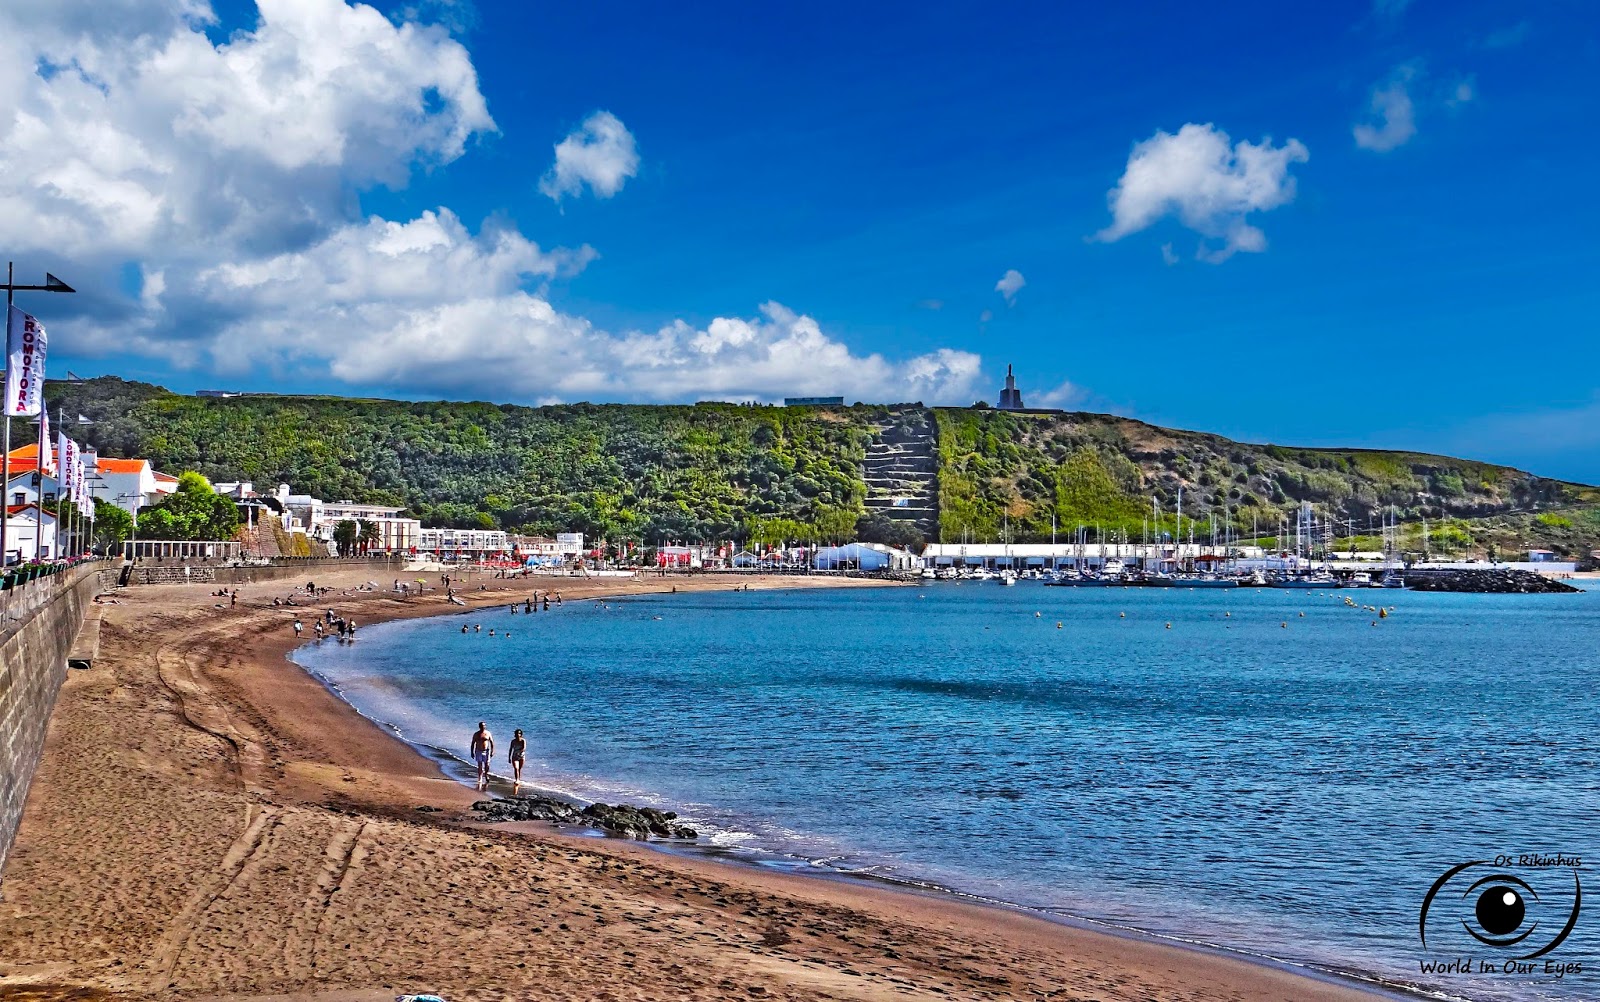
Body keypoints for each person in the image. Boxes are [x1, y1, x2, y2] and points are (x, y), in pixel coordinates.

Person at [471, 722, 494, 790]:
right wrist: (472, 752)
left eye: (484, 726)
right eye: (481, 726)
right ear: (479, 727)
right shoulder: (476, 734)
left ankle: (486, 774)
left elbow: (492, 742)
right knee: (480, 765)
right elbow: (473, 743)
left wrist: (492, 751)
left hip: (486, 751)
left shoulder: (488, 733)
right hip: (478, 751)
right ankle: (480, 778)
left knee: (487, 765)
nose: (483, 727)